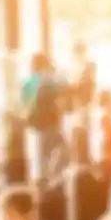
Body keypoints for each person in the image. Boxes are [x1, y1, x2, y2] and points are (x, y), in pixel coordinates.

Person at [22, 52, 67, 181]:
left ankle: (42, 184)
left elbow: (25, 104)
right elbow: (62, 93)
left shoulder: (28, 83)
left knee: (40, 164)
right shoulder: (47, 81)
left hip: (34, 128)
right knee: (56, 156)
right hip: (49, 126)